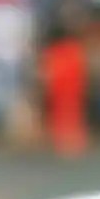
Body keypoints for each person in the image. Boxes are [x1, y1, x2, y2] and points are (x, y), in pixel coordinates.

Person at [39, 22, 86, 156]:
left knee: (62, 114)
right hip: (70, 88)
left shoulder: (57, 52)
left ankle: (65, 143)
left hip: (62, 88)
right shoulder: (74, 50)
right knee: (70, 114)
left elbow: (50, 73)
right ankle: (70, 143)